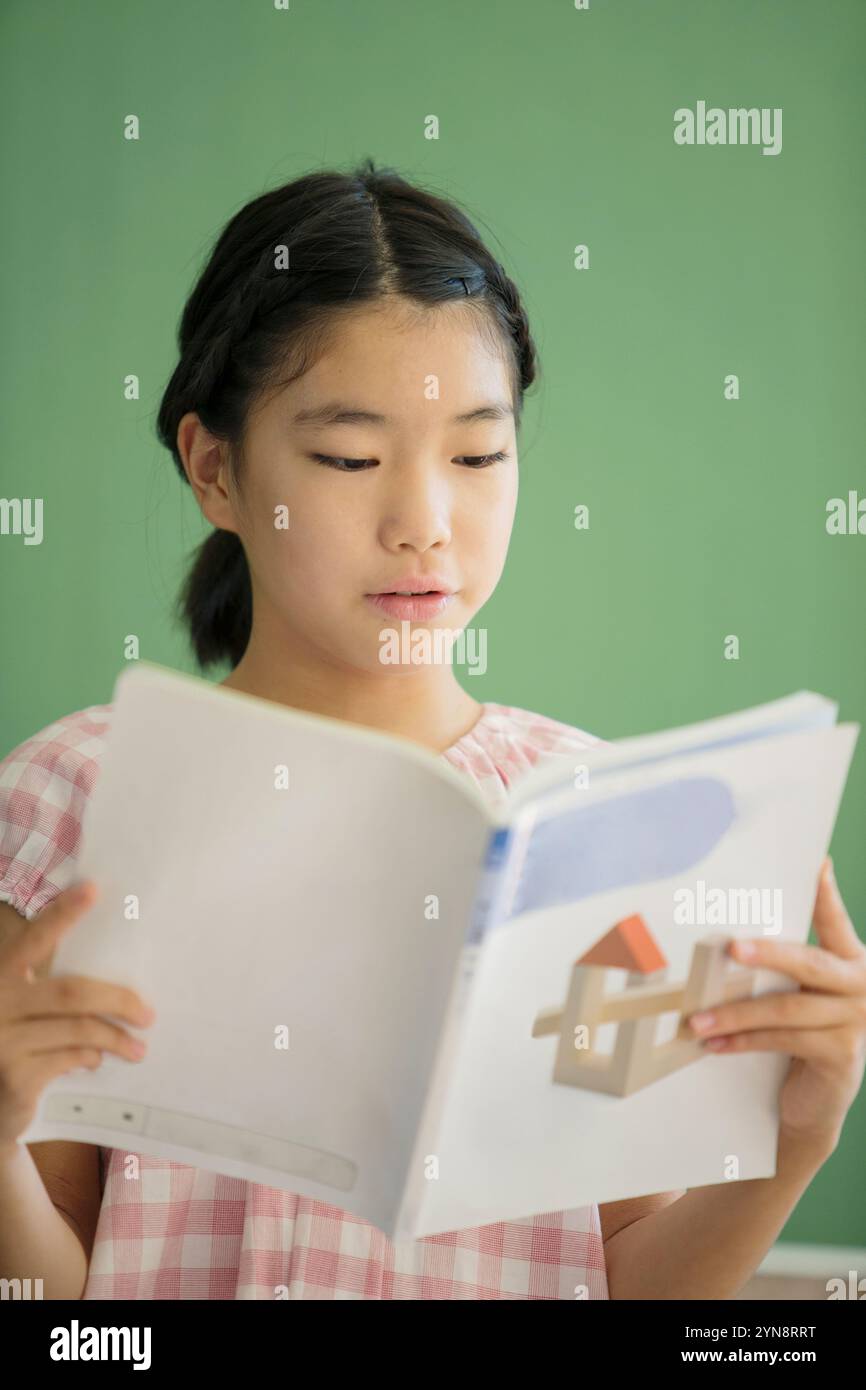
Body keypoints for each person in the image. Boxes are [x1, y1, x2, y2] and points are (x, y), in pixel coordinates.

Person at [1, 160, 864, 1301]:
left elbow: (626, 1281)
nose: (423, 522)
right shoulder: (76, 795)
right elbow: (54, 1295)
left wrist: (793, 1138)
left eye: (475, 455)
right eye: (350, 459)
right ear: (215, 468)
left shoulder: (600, 819)